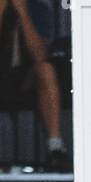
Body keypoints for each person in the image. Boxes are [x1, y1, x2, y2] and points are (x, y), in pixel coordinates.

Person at [1, 0, 71, 170]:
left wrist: (23, 13)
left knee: (45, 69)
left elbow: (40, 54)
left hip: (22, 77)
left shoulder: (37, 8)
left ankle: (55, 147)